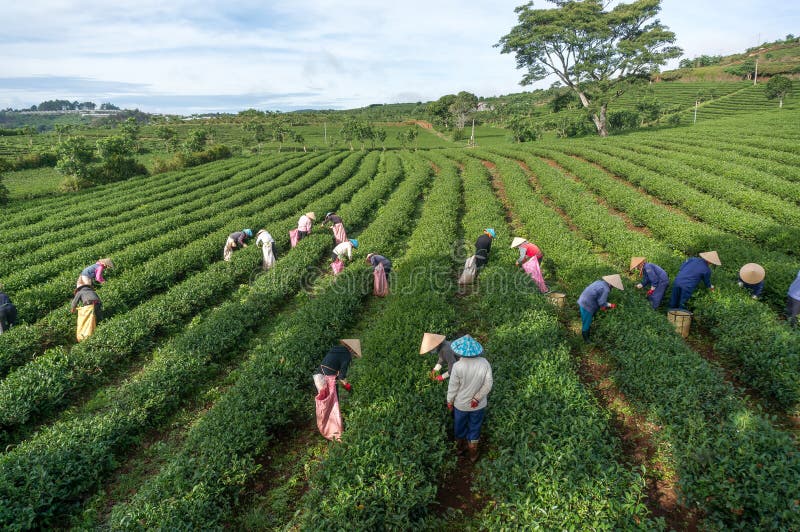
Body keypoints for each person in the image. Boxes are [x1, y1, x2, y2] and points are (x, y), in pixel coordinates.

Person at [446, 335, 493, 463]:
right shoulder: (484, 362)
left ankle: (460, 449)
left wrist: (449, 401)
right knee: (475, 427)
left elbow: (453, 387)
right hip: (478, 405)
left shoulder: (458, 366)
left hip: (461, 405)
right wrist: (477, 398)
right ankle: (473, 454)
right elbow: (488, 384)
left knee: (459, 426)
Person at [577, 274, 624, 343]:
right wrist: (610, 305)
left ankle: (588, 330)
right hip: (587, 305)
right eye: (614, 286)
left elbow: (596, 295)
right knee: (586, 322)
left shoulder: (599, 282)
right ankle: (586, 340)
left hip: (582, 299)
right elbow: (601, 303)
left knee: (586, 319)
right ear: (611, 284)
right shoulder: (606, 289)